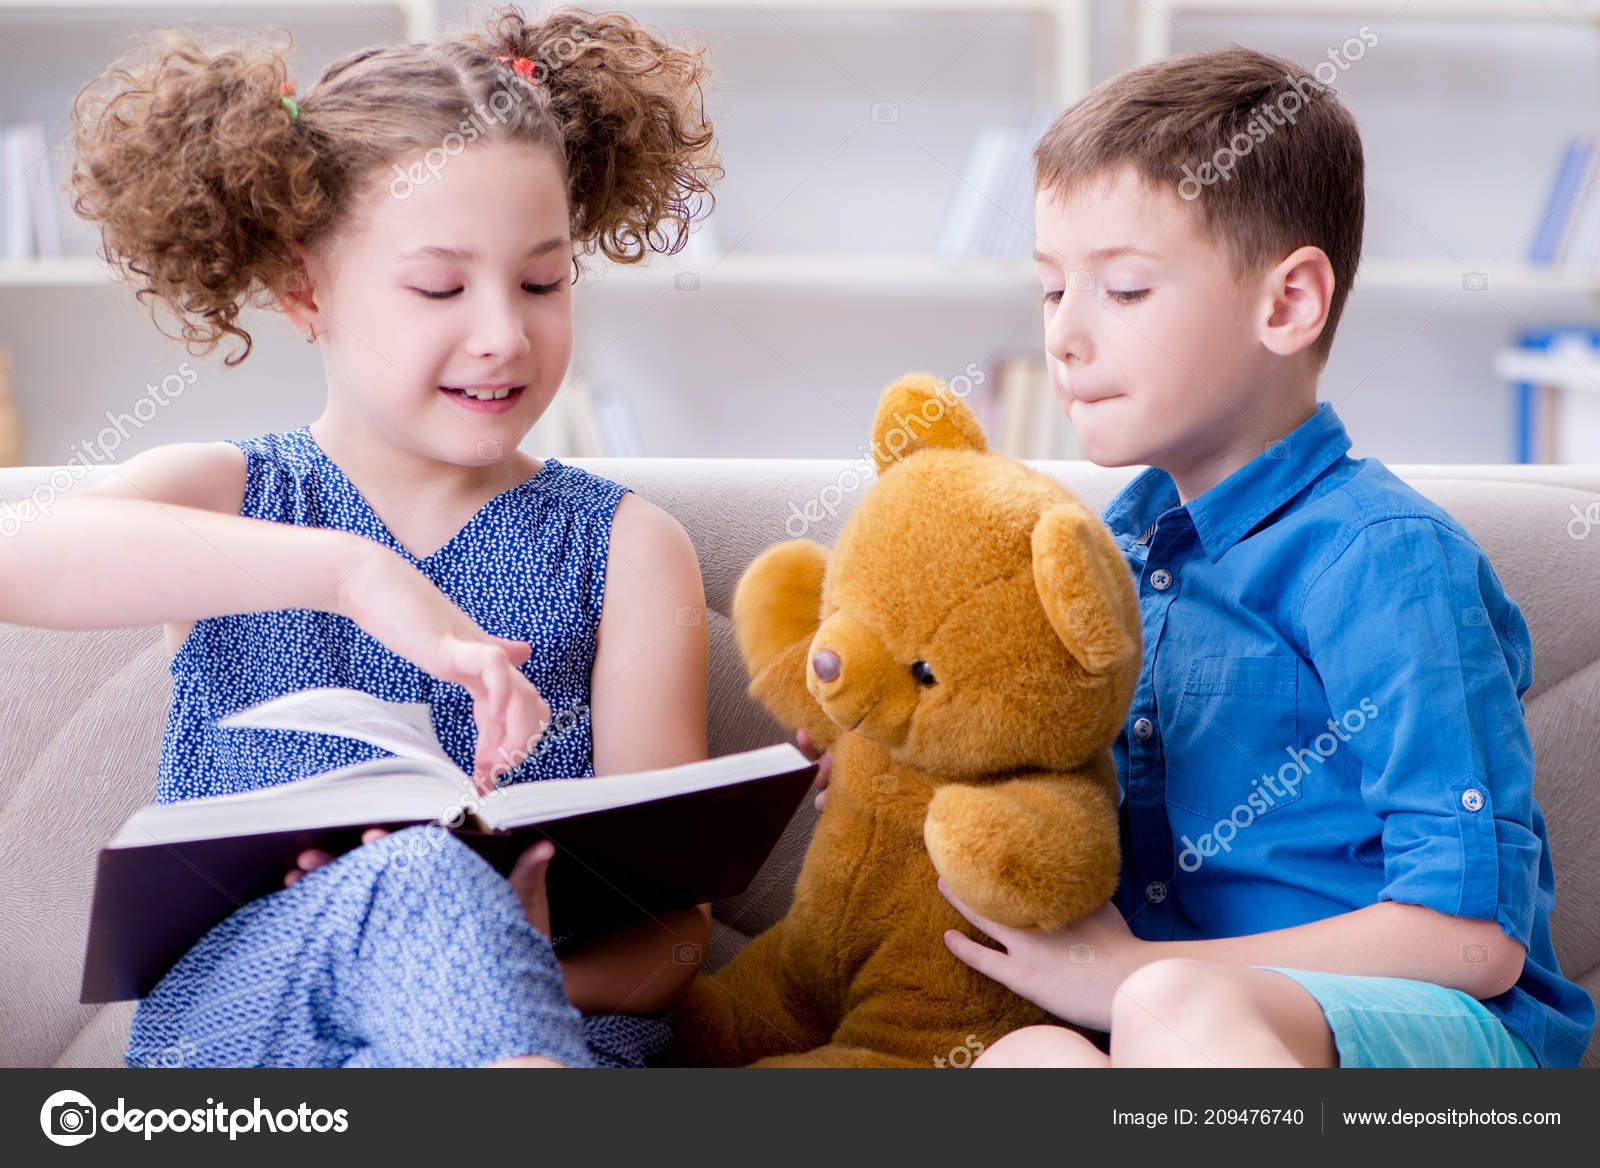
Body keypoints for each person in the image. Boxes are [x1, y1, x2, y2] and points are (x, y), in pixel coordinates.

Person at [832, 46, 1594, 1068]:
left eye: (1126, 290)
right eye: (1053, 289)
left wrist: (1129, 974)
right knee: (1024, 1060)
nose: (1063, 335)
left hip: (1435, 1030)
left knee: (1171, 1010)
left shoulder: (1385, 560)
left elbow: (1473, 941)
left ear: (1286, 304)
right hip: (1184, 1033)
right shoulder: (1103, 557)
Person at [4, 4, 722, 1068]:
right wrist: (351, 572)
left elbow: (668, 932)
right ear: (305, 287)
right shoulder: (224, 496)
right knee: (416, 876)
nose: (503, 332)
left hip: (549, 1028)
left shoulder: (624, 549)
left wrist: (486, 955)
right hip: (259, 1032)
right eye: (440, 285)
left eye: (542, 281)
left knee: (439, 913)